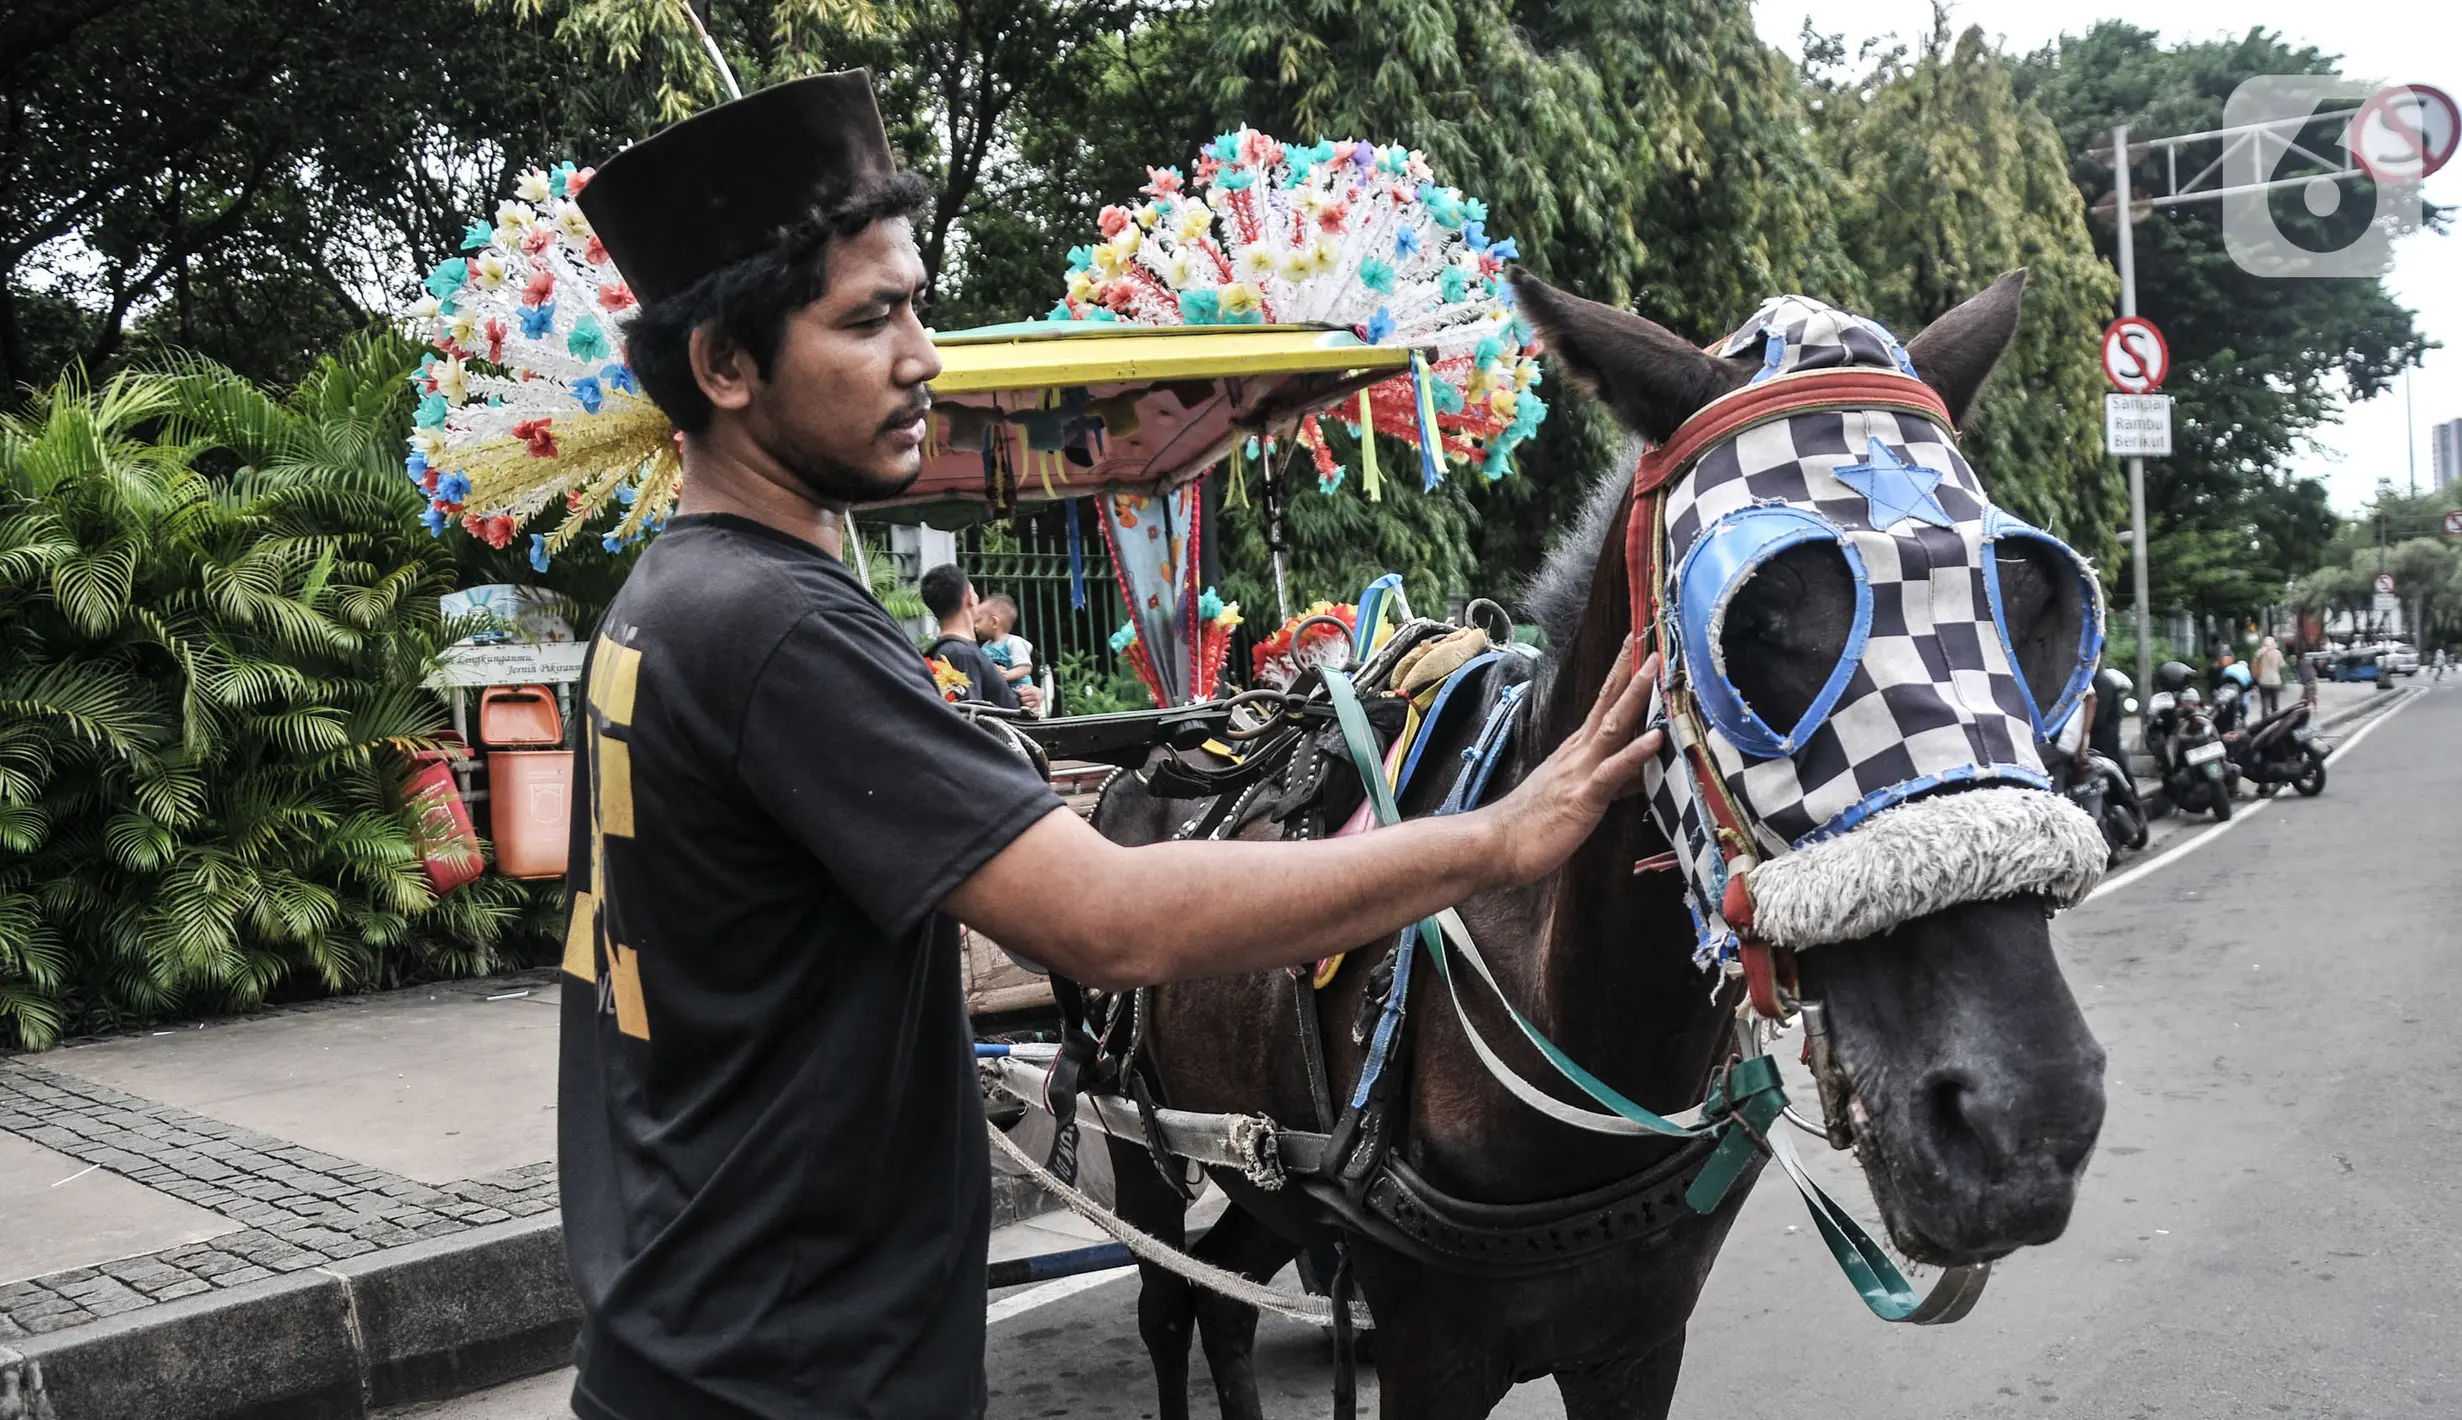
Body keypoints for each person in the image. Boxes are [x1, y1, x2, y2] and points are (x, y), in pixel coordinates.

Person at [559, 70, 1666, 1420]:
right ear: (724, 368)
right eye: (867, 320)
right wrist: (1495, 837)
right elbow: (1111, 920)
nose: (923, 358)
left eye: (917, 305)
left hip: (694, 1334)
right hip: (793, 1375)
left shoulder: (669, 601)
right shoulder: (774, 625)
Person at [920, 563, 1037, 712]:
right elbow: (971, 719)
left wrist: (1025, 698)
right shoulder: (960, 653)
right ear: (969, 597)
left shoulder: (955, 650)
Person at [975, 592, 1036, 691]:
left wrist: (1005, 675)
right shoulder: (985, 647)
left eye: (978, 621)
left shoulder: (1013, 642)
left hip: (1020, 691)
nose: (975, 626)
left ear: (994, 622)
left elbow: (1025, 668)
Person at [2253, 635, 2285, 719]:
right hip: (2275, 681)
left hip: (2263, 682)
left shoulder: (2260, 652)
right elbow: (2282, 666)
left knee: (2264, 705)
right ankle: (2276, 724)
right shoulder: (2278, 653)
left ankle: (2264, 724)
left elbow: (2254, 662)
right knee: (2275, 706)